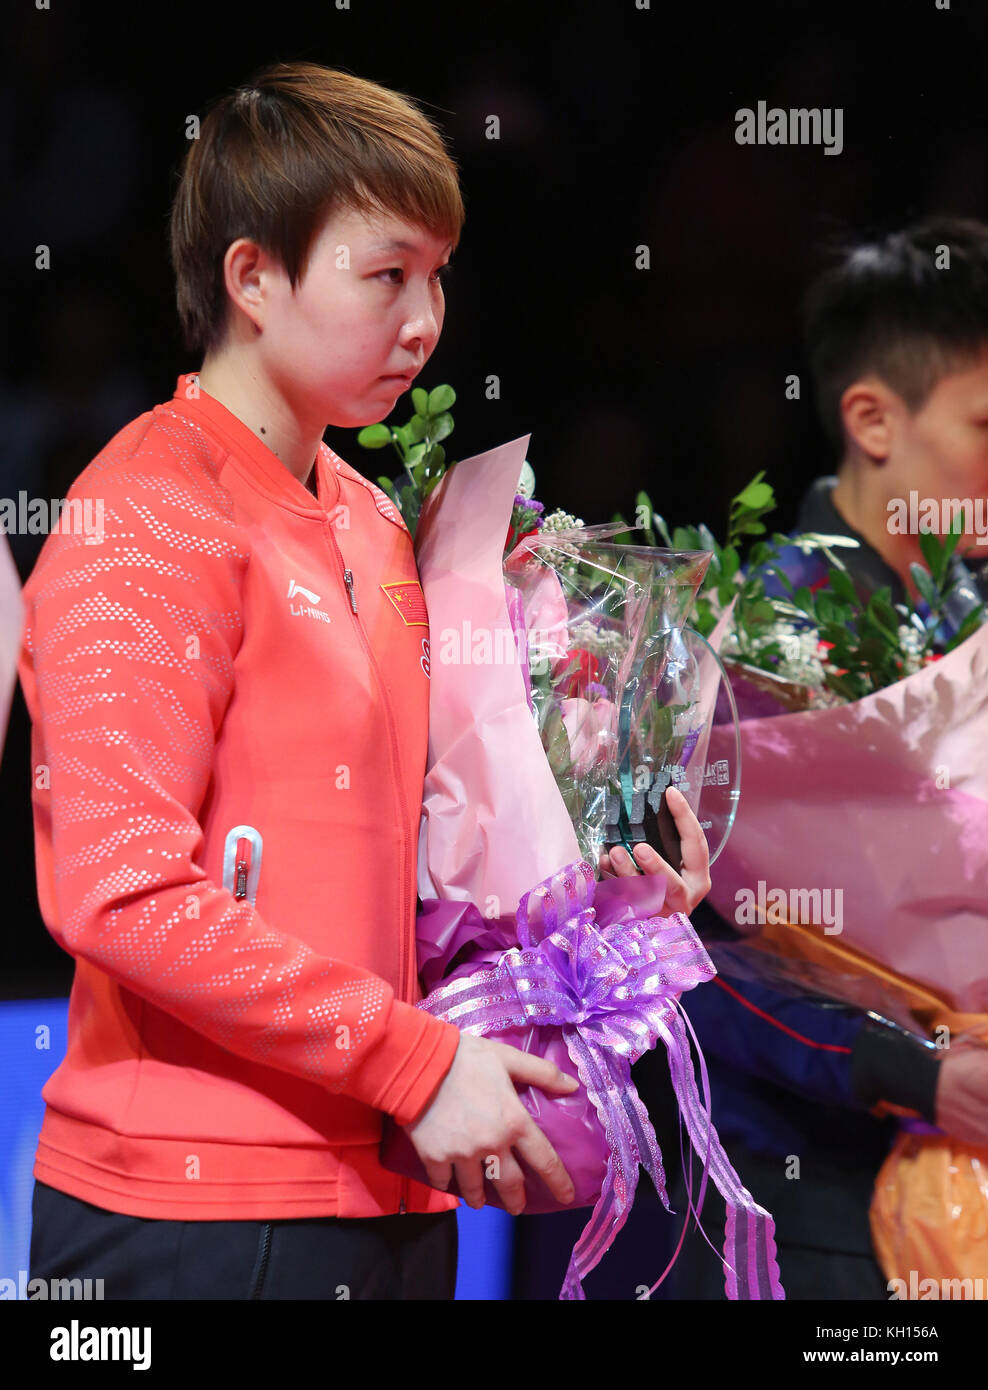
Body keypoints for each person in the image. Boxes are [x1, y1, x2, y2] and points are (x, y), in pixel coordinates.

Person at [20, 60, 712, 1302]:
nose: (424, 319)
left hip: (393, 1188)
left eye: (437, 274)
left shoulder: (373, 523)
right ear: (251, 278)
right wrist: (412, 1062)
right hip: (192, 1212)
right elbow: (118, 891)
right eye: (385, 273)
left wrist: (596, 905)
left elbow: (425, 867)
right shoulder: (144, 513)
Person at [653, 214, 988, 1300]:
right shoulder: (749, 648)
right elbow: (681, 962)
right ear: (871, 419)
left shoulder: (973, 614)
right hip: (806, 1209)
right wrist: (914, 1072)